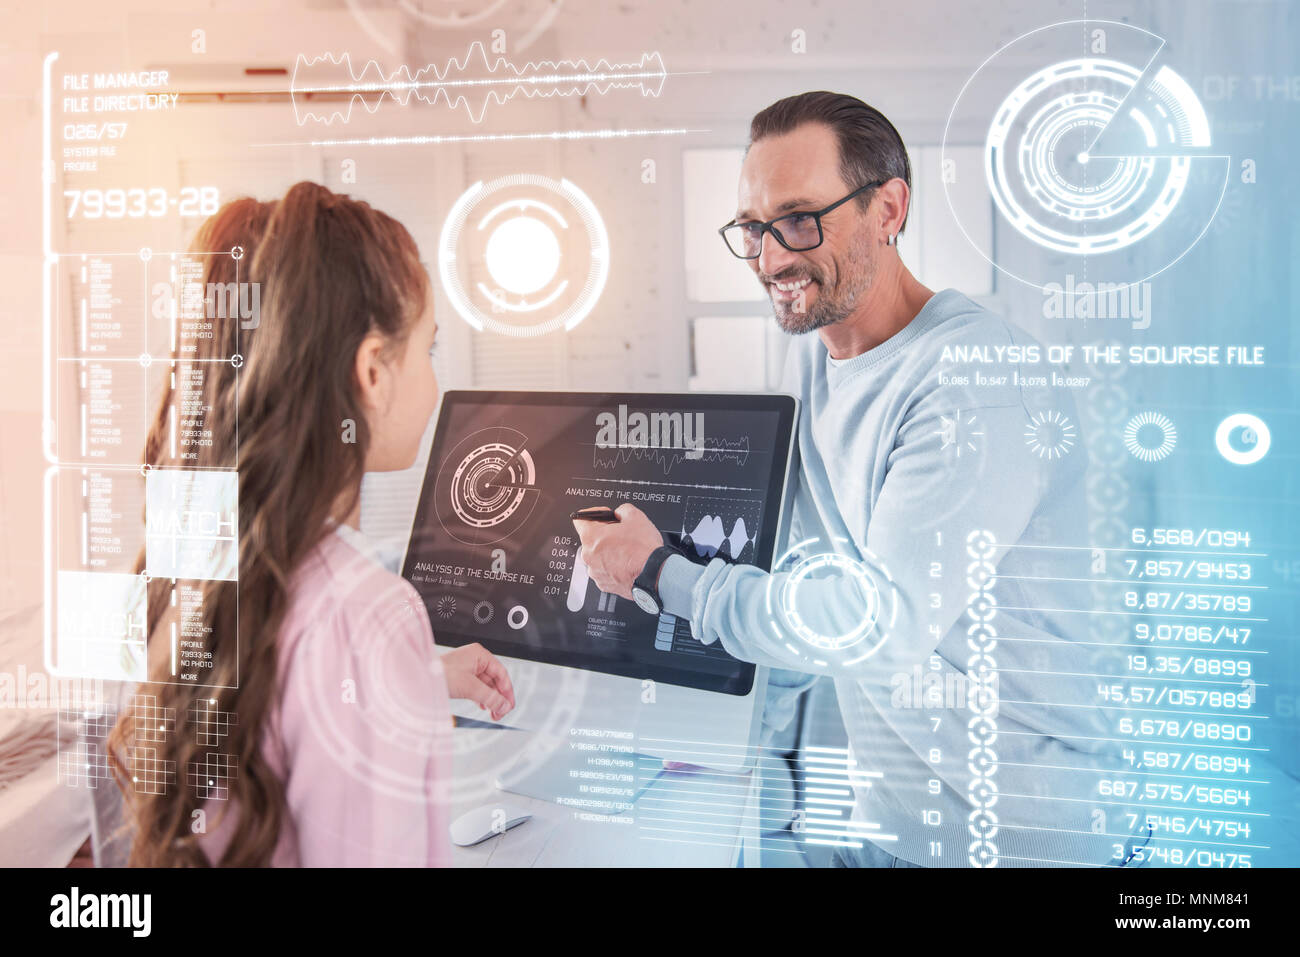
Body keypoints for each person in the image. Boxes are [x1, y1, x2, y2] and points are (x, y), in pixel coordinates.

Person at [575, 92, 1146, 868]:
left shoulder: (972, 383)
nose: (773, 258)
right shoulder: (815, 350)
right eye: (754, 227)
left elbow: (878, 622)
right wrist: (723, 732)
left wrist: (662, 574)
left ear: (889, 208)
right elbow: (811, 572)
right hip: (891, 818)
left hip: (1026, 838)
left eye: (802, 219)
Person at [106, 183, 515, 866]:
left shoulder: (191, 571)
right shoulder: (368, 616)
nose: (436, 381)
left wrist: (415, 677)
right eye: (429, 350)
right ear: (373, 371)